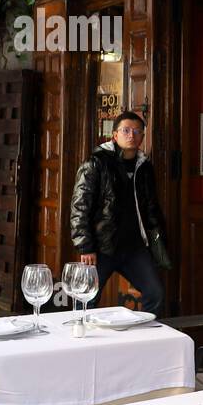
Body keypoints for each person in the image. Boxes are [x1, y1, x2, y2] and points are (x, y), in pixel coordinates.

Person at [70, 110, 167, 313]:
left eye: (137, 131)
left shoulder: (145, 167)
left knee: (155, 294)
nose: (131, 135)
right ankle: (80, 340)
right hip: (101, 248)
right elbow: (80, 207)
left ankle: (142, 343)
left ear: (142, 137)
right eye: (126, 130)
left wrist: (158, 242)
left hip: (134, 248)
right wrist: (85, 246)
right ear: (114, 135)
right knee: (85, 300)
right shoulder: (95, 163)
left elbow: (151, 208)